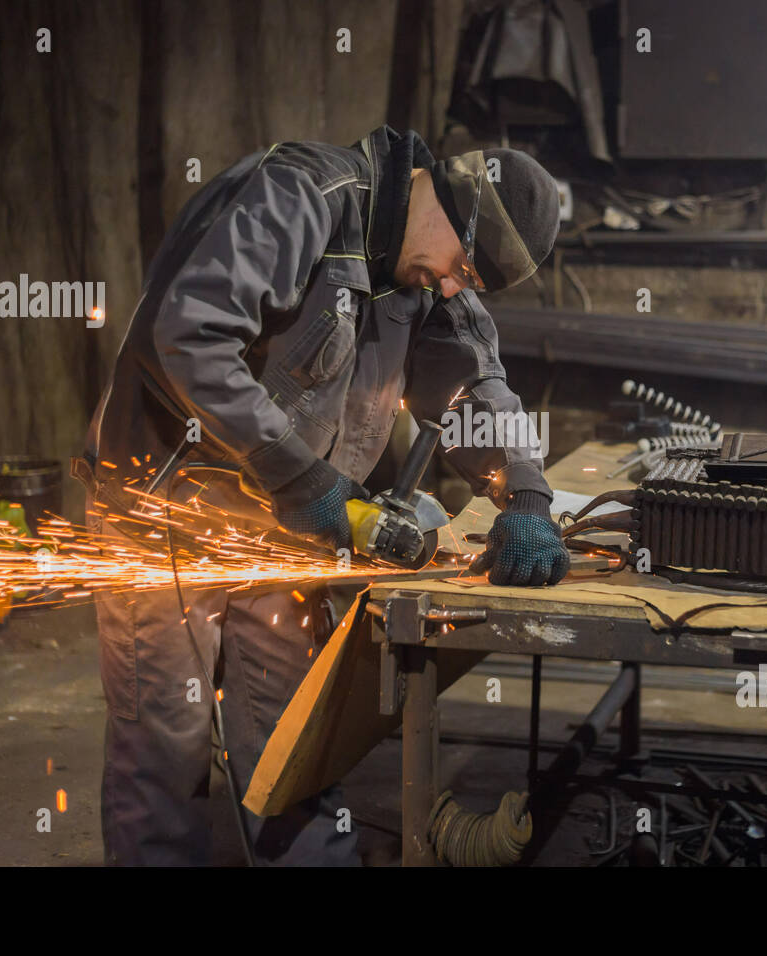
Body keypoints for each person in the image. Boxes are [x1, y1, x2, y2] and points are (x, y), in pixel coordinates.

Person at [74, 125, 569, 865]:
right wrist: (303, 478)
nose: (453, 285)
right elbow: (191, 337)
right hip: (167, 507)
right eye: (462, 265)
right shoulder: (305, 195)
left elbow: (474, 379)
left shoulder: (425, 275)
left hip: (281, 528)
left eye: (472, 282)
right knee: (166, 744)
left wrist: (526, 494)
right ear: (444, 198)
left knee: (290, 740)